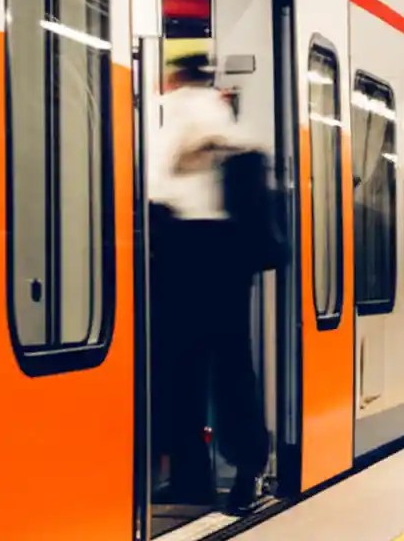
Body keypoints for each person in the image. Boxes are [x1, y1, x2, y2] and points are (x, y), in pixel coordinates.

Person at [148, 52, 270, 515]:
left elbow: (157, 183)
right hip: (228, 258)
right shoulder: (228, 119)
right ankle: (246, 471)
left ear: (175, 77)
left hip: (187, 251)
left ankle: (191, 479)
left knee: (183, 372)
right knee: (232, 369)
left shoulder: (178, 111)